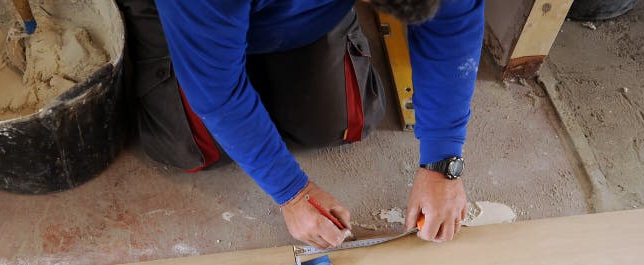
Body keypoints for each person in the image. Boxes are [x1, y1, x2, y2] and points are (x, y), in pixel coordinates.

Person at [120, 0, 484, 247]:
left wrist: (443, 162)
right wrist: (292, 192)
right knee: (193, 146)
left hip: (298, 14)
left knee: (338, 122)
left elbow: (452, 24)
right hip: (189, 13)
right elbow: (216, 92)